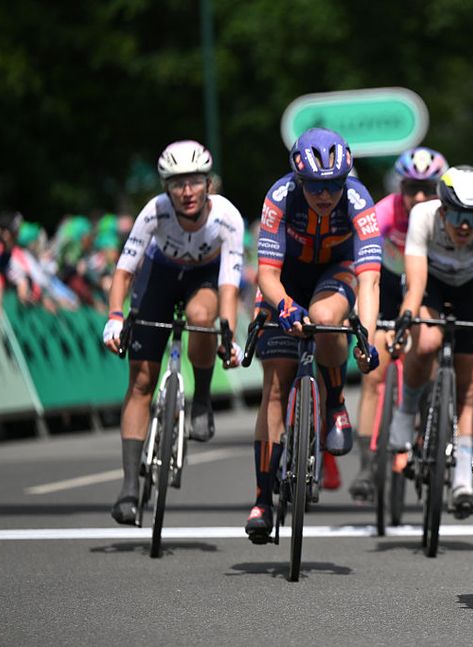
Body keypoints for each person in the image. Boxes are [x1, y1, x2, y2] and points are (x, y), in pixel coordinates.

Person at [245, 128, 381, 542]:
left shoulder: (358, 201)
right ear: (299, 180)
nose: (326, 195)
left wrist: (368, 341)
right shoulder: (279, 197)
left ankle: (336, 403)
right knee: (275, 385)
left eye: (334, 185)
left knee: (326, 317)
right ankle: (262, 499)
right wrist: (283, 307)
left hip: (333, 275)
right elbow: (266, 274)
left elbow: (370, 282)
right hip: (283, 280)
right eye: (316, 187)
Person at [101, 140, 245, 525]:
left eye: (195, 181)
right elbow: (124, 271)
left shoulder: (228, 218)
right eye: (177, 183)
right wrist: (116, 317)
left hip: (204, 279)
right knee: (141, 382)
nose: (187, 191)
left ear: (208, 183)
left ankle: (200, 398)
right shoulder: (154, 212)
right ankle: (130, 487)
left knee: (201, 316)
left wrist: (227, 333)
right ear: (166, 187)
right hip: (159, 277)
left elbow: (230, 284)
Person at [387, 165, 473, 517]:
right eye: (456, 214)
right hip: (432, 284)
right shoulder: (423, 216)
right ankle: (406, 412)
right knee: (425, 343)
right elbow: (416, 280)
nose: (465, 224)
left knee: (470, 384)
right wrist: (408, 317)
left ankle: (462, 478)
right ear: (441, 209)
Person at [350, 146, 447, 502]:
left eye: (428, 188)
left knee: (426, 352)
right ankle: (366, 464)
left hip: (426, 290)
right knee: (374, 373)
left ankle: (425, 428)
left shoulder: (445, 214)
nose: (419, 197)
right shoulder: (384, 212)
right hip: (389, 289)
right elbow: (363, 266)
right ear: (399, 188)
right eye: (411, 188)